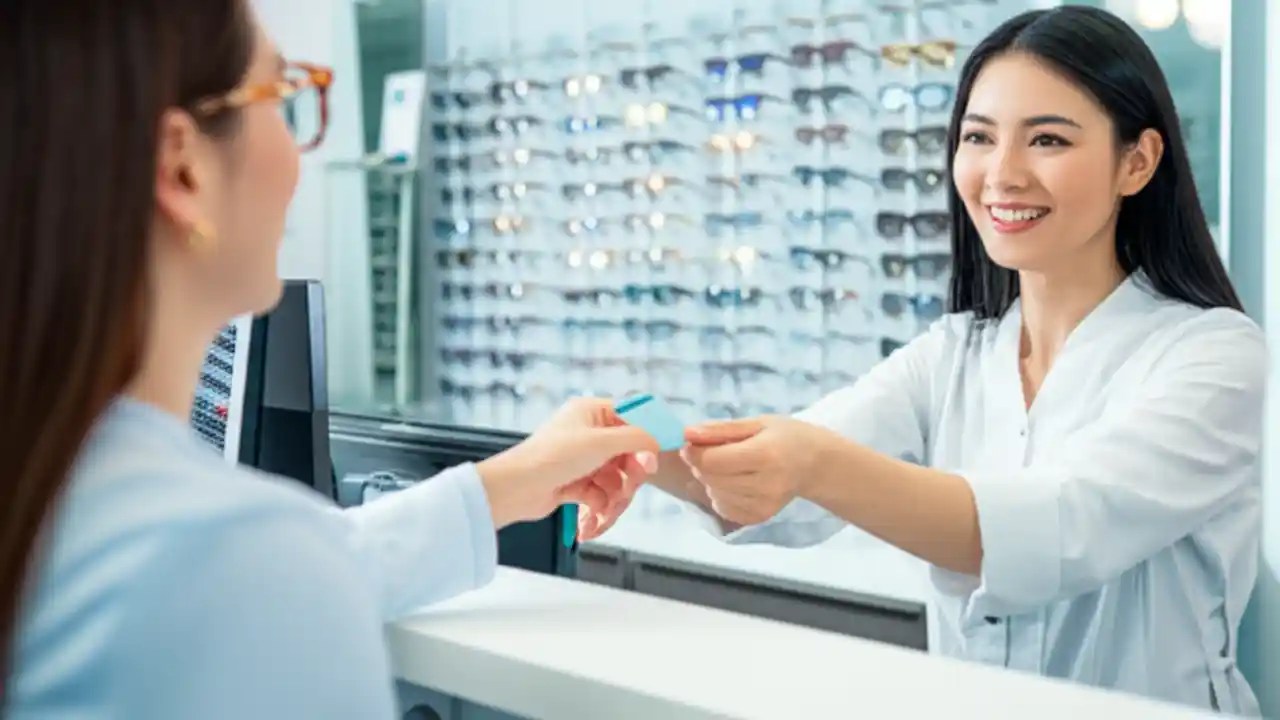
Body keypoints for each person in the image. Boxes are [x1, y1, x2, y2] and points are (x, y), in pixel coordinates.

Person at [580, 6, 1266, 714]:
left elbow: (1063, 528)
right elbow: (785, 485)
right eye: (978, 137)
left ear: (1138, 161)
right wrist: (637, 447)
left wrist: (811, 460)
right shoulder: (952, 355)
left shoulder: (1211, 354)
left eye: (1048, 140)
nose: (1002, 174)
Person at [0, 2, 657, 718]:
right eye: (283, 100)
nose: (299, 155)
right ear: (183, 167)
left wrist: (502, 486)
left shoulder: (67, 498)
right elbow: (261, 583)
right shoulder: (228, 561)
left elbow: (287, 573)